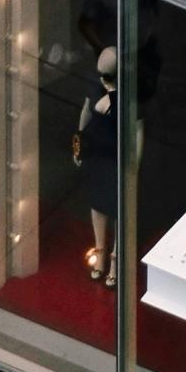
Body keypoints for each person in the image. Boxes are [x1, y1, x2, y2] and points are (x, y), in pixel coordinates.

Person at [74, 45, 120, 282]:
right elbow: (86, 111)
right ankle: (100, 251)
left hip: (114, 156)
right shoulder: (95, 85)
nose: (101, 78)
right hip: (97, 154)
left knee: (117, 207)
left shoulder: (123, 96)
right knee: (97, 203)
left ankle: (115, 259)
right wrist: (79, 143)